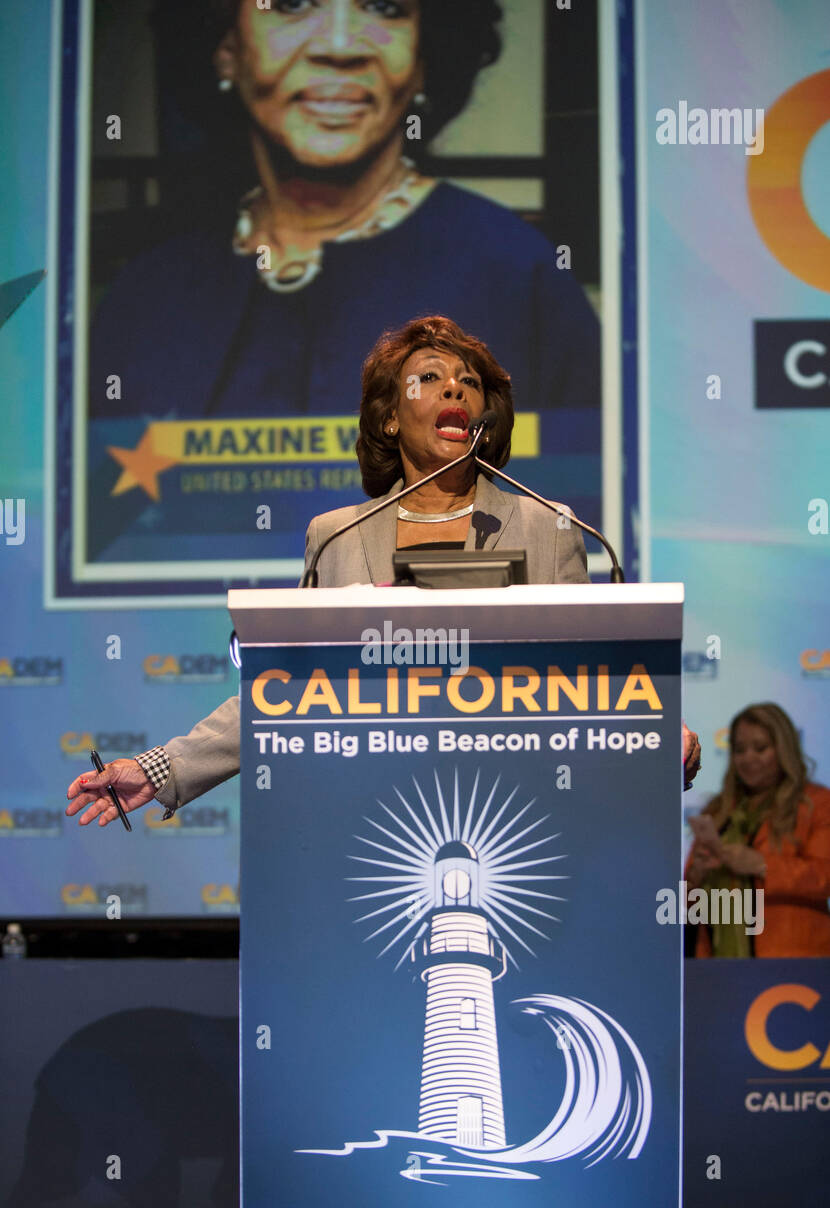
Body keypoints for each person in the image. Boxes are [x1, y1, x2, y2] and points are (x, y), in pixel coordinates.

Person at [68, 315, 698, 828]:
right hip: (372, 824)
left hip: (525, 819)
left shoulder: (549, 527)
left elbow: (592, 682)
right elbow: (284, 691)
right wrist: (157, 769)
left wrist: (661, 732)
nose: (455, 389)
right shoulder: (335, 537)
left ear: (484, 416)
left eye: (470, 382)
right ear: (391, 416)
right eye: (430, 378)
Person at [91, 0, 600, 428]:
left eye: (383, 7)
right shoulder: (145, 293)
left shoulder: (521, 277)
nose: (339, 46)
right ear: (226, 49)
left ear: (425, 56)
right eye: (291, 4)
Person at [687, 703, 830, 958]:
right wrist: (696, 877)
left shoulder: (817, 804)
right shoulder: (717, 810)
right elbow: (685, 904)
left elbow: (824, 875)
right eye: (740, 749)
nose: (749, 758)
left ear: (783, 749)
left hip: (795, 965)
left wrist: (762, 865)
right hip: (716, 968)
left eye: (760, 748)